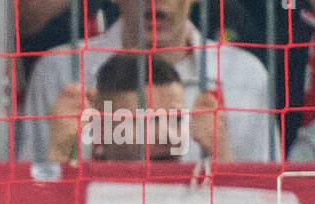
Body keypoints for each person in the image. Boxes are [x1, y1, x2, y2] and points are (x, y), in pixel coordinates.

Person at [18, 0, 278, 164]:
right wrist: (57, 154)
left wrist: (221, 155)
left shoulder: (245, 76)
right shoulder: (61, 71)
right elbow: (31, 203)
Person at [45, 52, 228, 162]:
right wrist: (58, 153)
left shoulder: (202, 187)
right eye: (146, 121)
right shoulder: (76, 188)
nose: (170, 136)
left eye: (176, 119)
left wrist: (222, 154)